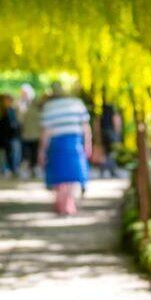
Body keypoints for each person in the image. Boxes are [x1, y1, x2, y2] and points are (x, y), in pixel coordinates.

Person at [40, 87, 91, 215]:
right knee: (72, 174)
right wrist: (88, 143)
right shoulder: (77, 104)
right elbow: (86, 127)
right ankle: (69, 202)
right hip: (74, 141)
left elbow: (45, 132)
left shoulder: (49, 107)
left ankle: (61, 201)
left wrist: (41, 150)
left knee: (58, 174)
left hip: (56, 142)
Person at [0, 93, 21, 176]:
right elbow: (8, 126)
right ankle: (11, 169)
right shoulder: (5, 112)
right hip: (4, 138)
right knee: (7, 154)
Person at [18, 87, 43, 179]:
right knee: (26, 155)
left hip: (36, 134)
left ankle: (34, 170)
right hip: (26, 135)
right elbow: (19, 120)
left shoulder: (37, 106)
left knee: (34, 154)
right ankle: (27, 171)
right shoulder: (21, 106)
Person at [97, 100, 124, 178]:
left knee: (105, 153)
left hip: (103, 134)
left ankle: (103, 170)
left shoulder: (102, 115)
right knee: (112, 153)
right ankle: (112, 171)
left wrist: (98, 136)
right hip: (111, 134)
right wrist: (117, 134)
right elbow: (116, 123)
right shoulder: (113, 113)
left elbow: (97, 125)